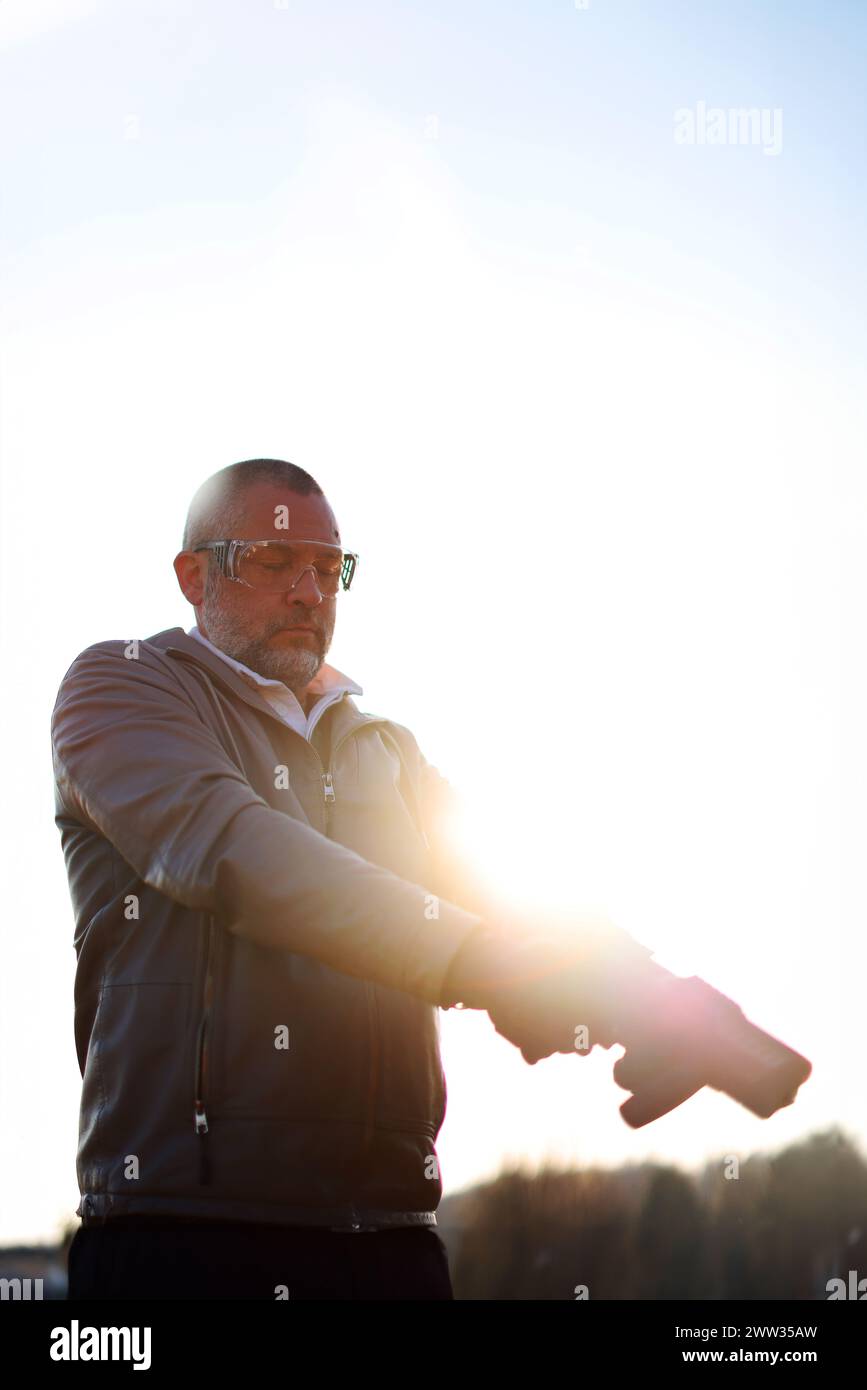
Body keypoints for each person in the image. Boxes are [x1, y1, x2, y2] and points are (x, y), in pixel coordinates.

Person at [50, 457, 778, 1301]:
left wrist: (658, 995)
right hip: (181, 1239)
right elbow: (234, 850)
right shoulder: (119, 686)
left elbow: (506, 886)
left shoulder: (384, 751)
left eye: (329, 570)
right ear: (193, 576)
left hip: (393, 1244)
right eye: (273, 562)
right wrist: (488, 964)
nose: (308, 592)